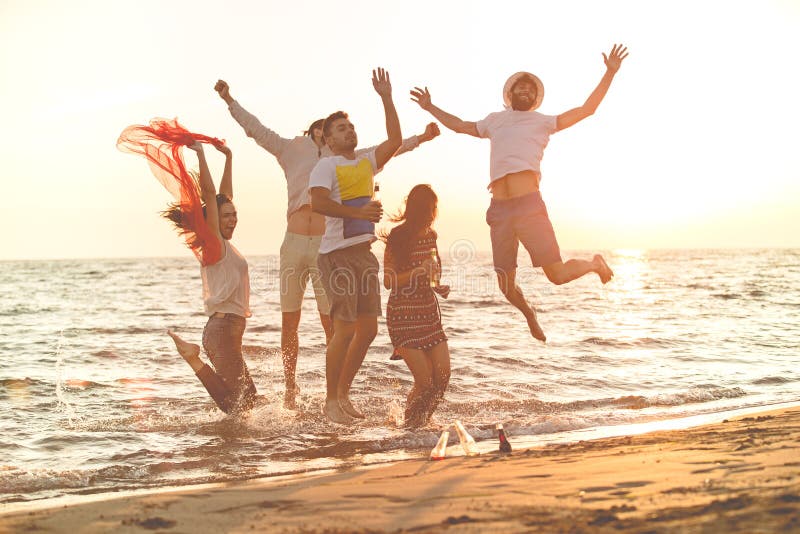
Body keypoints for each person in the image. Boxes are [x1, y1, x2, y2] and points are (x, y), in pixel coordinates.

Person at [215, 80, 440, 409]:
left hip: (326, 243)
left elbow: (393, 146)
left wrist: (421, 138)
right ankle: (291, 386)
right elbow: (256, 129)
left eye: (343, 126)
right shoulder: (292, 149)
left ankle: (332, 391)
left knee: (334, 323)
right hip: (294, 244)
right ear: (315, 133)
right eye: (330, 127)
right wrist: (229, 100)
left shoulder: (350, 159)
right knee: (290, 320)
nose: (333, 130)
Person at [411, 44, 629, 342]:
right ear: (510, 94)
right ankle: (529, 314)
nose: (525, 91)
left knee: (557, 275)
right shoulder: (494, 121)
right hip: (499, 210)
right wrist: (430, 107)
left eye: (530, 89)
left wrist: (609, 73)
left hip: (529, 206)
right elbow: (461, 126)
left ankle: (594, 264)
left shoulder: (543, 122)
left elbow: (586, 110)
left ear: (535, 97)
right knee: (505, 285)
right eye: (520, 87)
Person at [118, 118, 257, 415]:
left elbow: (222, 197)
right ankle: (193, 359)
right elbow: (210, 196)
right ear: (214, 221)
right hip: (222, 329)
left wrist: (230, 158)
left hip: (228, 330)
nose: (233, 218)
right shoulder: (215, 244)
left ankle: (193, 358)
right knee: (243, 405)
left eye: (235, 214)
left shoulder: (225, 246)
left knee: (242, 402)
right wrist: (201, 155)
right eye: (227, 216)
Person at [308, 67, 401, 424]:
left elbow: (394, 139)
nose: (349, 131)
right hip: (336, 255)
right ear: (328, 140)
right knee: (345, 328)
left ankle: (343, 395)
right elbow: (317, 203)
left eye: (350, 126)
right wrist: (357, 209)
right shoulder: (325, 166)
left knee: (369, 329)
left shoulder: (365, 161)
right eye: (340, 128)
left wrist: (387, 98)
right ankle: (330, 402)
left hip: (364, 253)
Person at [382, 184, 451, 428]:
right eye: (432, 208)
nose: (434, 213)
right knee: (424, 382)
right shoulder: (398, 237)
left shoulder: (431, 235)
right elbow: (388, 281)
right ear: (421, 209)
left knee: (442, 377)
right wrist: (417, 271)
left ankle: (422, 422)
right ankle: (410, 427)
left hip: (428, 312)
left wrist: (437, 285)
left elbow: (433, 272)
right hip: (403, 315)